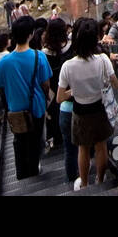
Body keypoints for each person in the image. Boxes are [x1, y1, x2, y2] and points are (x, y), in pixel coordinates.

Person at [0, 15, 52, 180]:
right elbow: (46, 84)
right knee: (35, 141)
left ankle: (22, 175)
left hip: (16, 111)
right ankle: (34, 171)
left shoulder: (5, 61)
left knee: (20, 141)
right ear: (30, 34)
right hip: (36, 107)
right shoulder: (39, 56)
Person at [57, 18, 118, 189]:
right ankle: (100, 180)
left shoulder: (68, 66)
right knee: (101, 146)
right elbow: (116, 84)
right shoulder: (103, 60)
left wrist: (75, 91)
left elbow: (60, 97)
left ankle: (84, 184)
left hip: (80, 112)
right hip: (100, 109)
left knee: (83, 149)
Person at [43, 18, 77, 181]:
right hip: (71, 93)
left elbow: (44, 77)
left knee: (66, 142)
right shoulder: (71, 48)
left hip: (53, 93)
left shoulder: (44, 53)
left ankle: (58, 141)